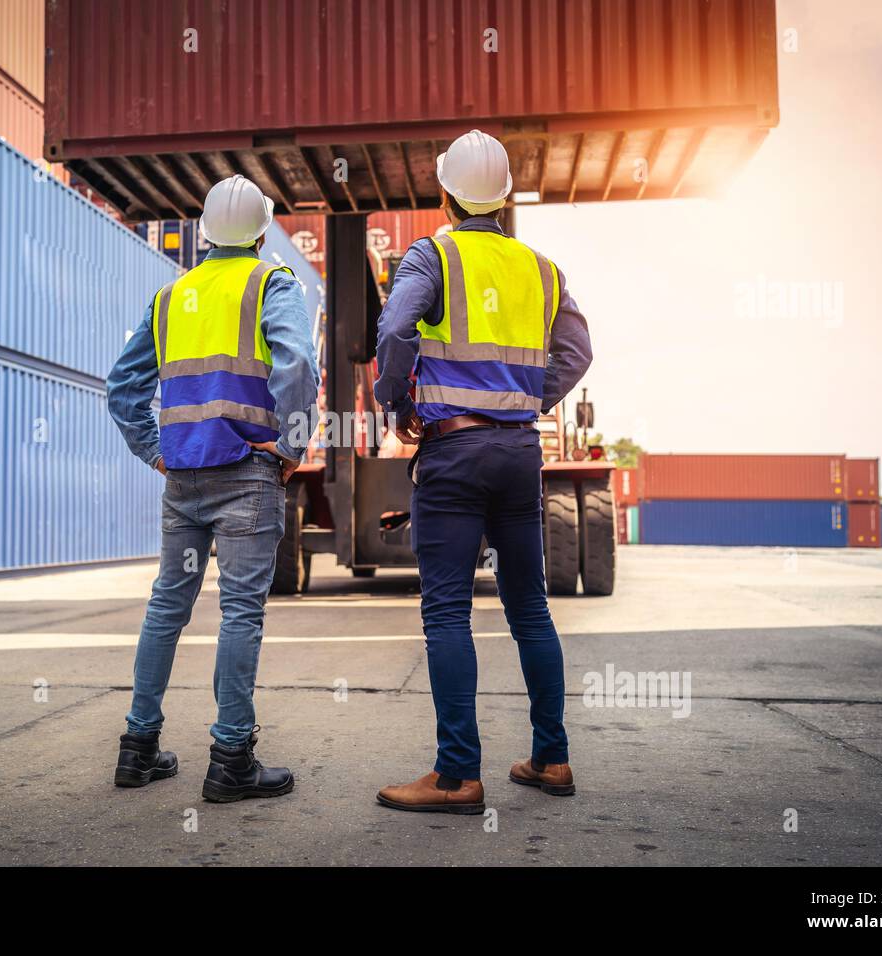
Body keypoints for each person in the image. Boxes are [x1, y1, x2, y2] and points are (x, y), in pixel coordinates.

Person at [372, 130, 594, 814]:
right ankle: (551, 759)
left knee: (447, 609)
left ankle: (456, 776)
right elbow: (578, 352)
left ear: (444, 193)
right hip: (520, 452)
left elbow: (394, 332)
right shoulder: (542, 269)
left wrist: (396, 400)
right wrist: (525, 399)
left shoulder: (431, 253)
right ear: (504, 199)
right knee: (530, 607)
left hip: (453, 452)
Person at [106, 174, 319, 803]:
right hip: (248, 475)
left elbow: (122, 387)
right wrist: (289, 446)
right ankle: (230, 760)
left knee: (166, 607)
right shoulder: (269, 284)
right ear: (260, 232)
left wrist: (154, 450)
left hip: (184, 481)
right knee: (240, 611)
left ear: (204, 233)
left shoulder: (172, 296)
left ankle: (137, 749)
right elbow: (300, 364)